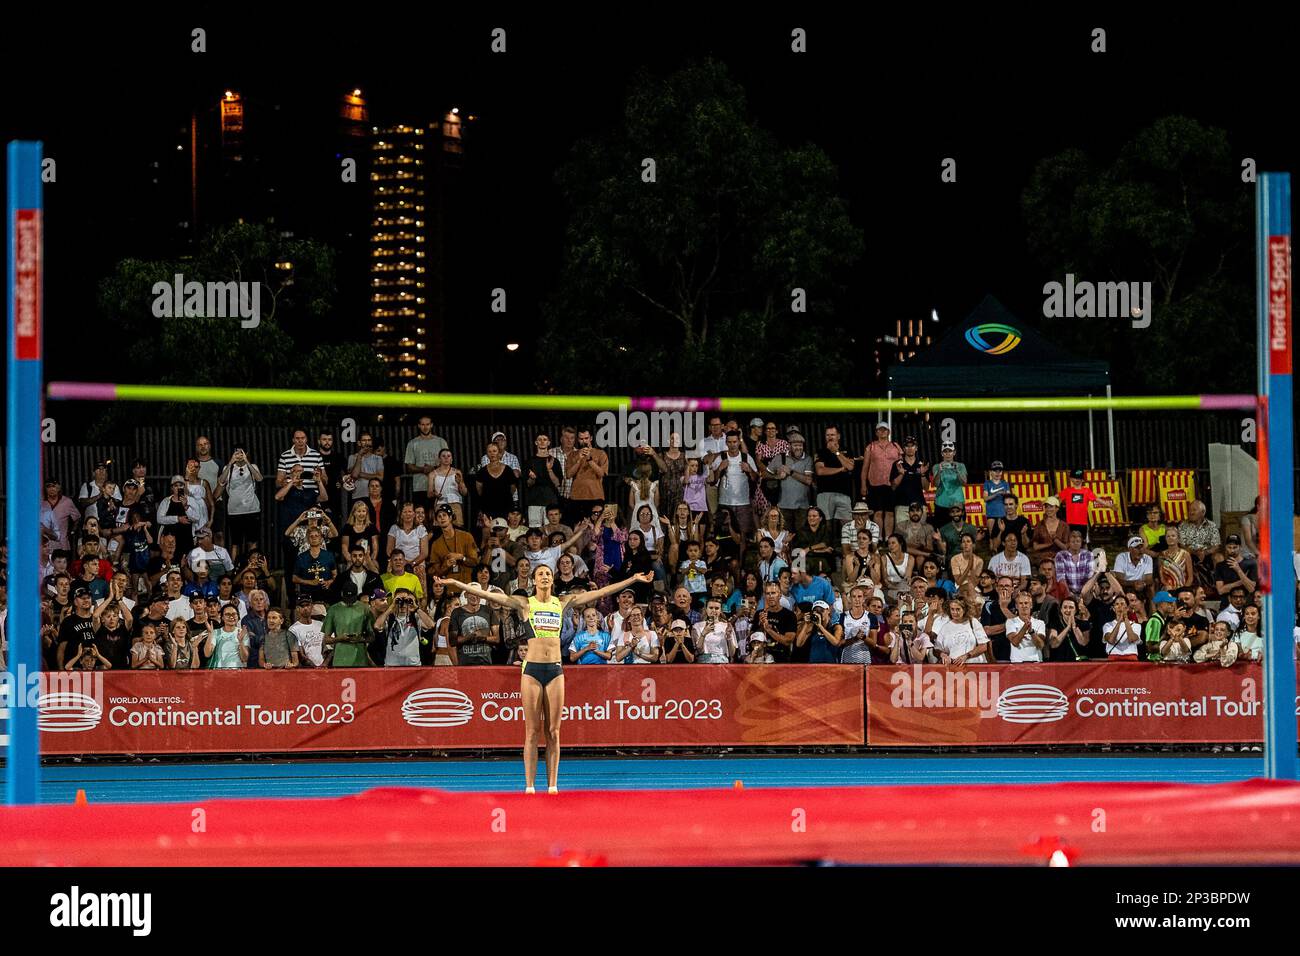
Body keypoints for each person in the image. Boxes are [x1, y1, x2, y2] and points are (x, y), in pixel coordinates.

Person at [438, 567, 655, 793]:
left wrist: (632, 577)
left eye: (548, 574)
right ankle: (529, 786)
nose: (544, 577)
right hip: (531, 670)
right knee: (532, 732)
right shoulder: (525, 604)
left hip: (555, 669)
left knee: (553, 731)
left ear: (552, 579)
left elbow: (601, 593)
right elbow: (490, 596)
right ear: (534, 580)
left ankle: (552, 785)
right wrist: (456, 582)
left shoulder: (561, 603)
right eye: (540, 574)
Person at [320, 581, 375, 667]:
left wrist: (360, 639)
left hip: (360, 659)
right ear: (342, 594)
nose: (349, 601)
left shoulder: (365, 609)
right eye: (347, 598)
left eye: (352, 598)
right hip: (340, 660)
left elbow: (372, 637)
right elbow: (326, 640)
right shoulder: (333, 610)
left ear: (357, 595)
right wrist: (339, 638)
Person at [814, 426, 857, 527]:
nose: (830, 437)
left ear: (838, 436)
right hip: (825, 493)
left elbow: (850, 467)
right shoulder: (820, 452)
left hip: (844, 493)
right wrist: (841, 469)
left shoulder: (847, 450)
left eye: (832, 435)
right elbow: (820, 471)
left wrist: (836, 452)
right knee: (825, 524)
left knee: (847, 524)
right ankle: (825, 543)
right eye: (827, 435)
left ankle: (847, 543)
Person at [405, 416, 449, 511]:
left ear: (431, 425)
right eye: (423, 424)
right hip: (419, 487)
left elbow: (447, 463)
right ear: (419, 426)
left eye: (427, 424)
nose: (425, 427)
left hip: (439, 486)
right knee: (421, 516)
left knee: (439, 515)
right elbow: (409, 467)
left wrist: (432, 468)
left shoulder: (441, 442)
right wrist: (423, 469)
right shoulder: (412, 443)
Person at [930, 597, 990, 665]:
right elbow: (937, 649)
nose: (955, 612)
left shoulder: (973, 622)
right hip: (954, 668)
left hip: (974, 666)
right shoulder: (945, 627)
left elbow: (983, 646)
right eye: (952, 609)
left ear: (964, 610)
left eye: (958, 609)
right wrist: (942, 655)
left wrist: (966, 656)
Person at [930, 441, 967, 526]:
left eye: (950, 451)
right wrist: (939, 471)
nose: (948, 454)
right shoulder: (936, 466)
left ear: (954, 453)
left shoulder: (960, 466)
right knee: (941, 532)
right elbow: (936, 484)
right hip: (941, 503)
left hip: (957, 504)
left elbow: (964, 483)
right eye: (945, 451)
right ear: (942, 453)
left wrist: (957, 471)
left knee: (959, 530)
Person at [205, 604, 250, 669]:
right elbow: (207, 654)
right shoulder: (216, 632)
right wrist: (210, 634)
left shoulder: (243, 633)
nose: (231, 617)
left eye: (234, 614)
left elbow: (244, 659)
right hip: (219, 673)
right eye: (228, 614)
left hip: (237, 673)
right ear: (222, 617)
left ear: (238, 616)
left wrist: (240, 641)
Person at [1006, 593, 1046, 662]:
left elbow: (1040, 645)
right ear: (1016, 606)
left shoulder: (1040, 623)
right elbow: (1015, 642)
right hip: (1017, 663)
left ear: (1031, 605)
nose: (1024, 606)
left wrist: (1032, 632)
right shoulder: (1010, 622)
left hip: (1036, 663)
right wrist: (1025, 627)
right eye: (1020, 603)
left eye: (1026, 603)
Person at [1060, 469, 1097, 536]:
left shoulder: (1086, 491)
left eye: (1079, 478)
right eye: (1075, 477)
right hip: (1070, 521)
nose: (1077, 479)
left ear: (1083, 480)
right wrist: (1046, 500)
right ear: (1071, 479)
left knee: (1082, 539)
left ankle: (1084, 545)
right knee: (1071, 539)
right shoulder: (1067, 491)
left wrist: (1109, 505)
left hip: (1083, 522)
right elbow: (1057, 497)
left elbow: (1097, 499)